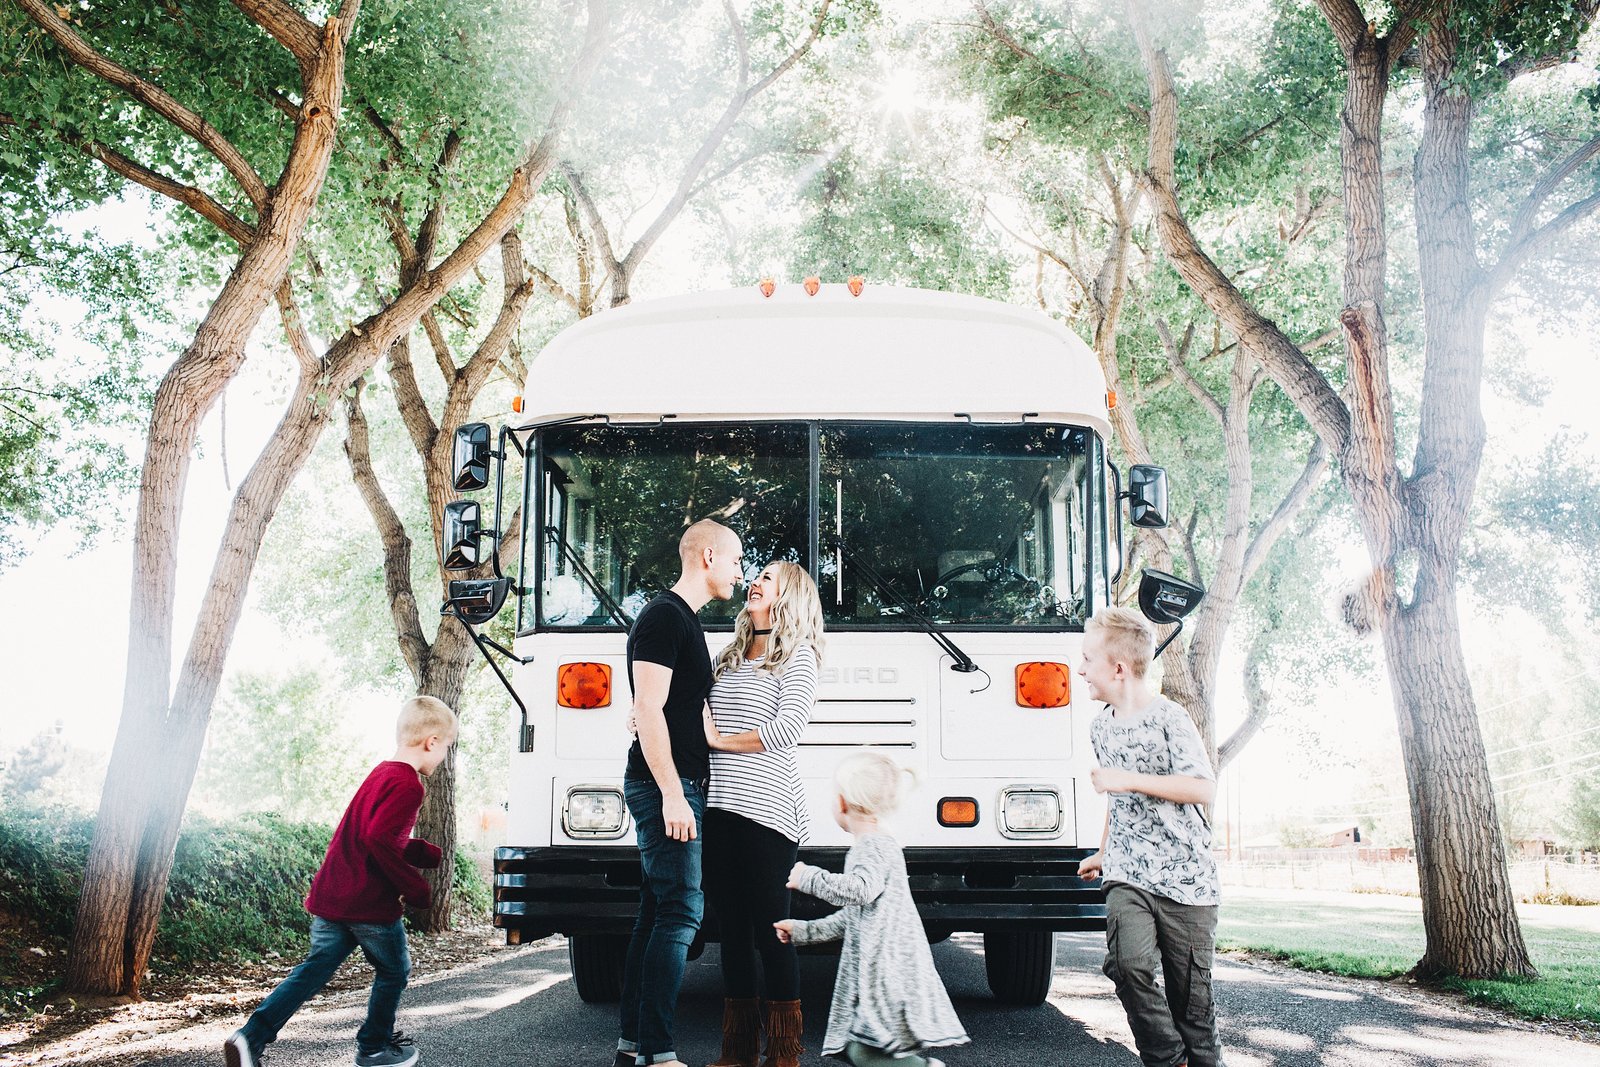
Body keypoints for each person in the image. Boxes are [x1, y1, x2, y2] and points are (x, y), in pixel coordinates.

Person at [223, 696, 457, 1067]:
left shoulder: (381, 773)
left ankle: (249, 1038)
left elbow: (371, 834)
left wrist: (421, 852)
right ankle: (374, 1047)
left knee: (313, 970)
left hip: (333, 897)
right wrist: (416, 888)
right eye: (446, 747)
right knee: (394, 971)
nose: (443, 756)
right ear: (431, 741)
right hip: (368, 905)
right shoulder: (409, 785)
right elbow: (378, 838)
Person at [615, 519, 745, 1067]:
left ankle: (634, 1047)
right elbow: (647, 708)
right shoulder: (664, 616)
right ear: (708, 556)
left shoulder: (683, 620)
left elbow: (674, 710)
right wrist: (672, 793)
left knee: (656, 914)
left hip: (679, 781)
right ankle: (659, 1053)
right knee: (682, 912)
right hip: (665, 786)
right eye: (736, 561)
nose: (739, 574)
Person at [1076, 606, 1223, 1067]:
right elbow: (1117, 801)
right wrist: (1103, 851)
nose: (1080, 669)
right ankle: (1167, 1059)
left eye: (1088, 660)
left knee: (1193, 1011)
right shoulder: (1101, 726)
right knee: (1127, 964)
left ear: (1118, 669)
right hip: (1128, 871)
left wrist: (1129, 780)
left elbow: (1202, 788)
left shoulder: (1169, 718)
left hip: (1187, 880)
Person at [700, 560, 824, 1067]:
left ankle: (784, 1054)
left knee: (773, 932)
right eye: (756, 574)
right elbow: (692, 706)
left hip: (768, 811)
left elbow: (788, 728)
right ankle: (737, 1052)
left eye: (768, 578)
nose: (754, 581)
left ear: (789, 593)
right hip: (717, 806)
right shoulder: (727, 655)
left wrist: (720, 742)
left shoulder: (799, 654)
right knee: (731, 933)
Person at [774, 752, 968, 1067]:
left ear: (842, 803)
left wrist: (809, 878)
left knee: (863, 1050)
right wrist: (804, 931)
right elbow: (853, 918)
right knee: (861, 1048)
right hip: (888, 969)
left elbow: (861, 889)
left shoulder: (871, 846)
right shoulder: (880, 843)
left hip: (887, 971)